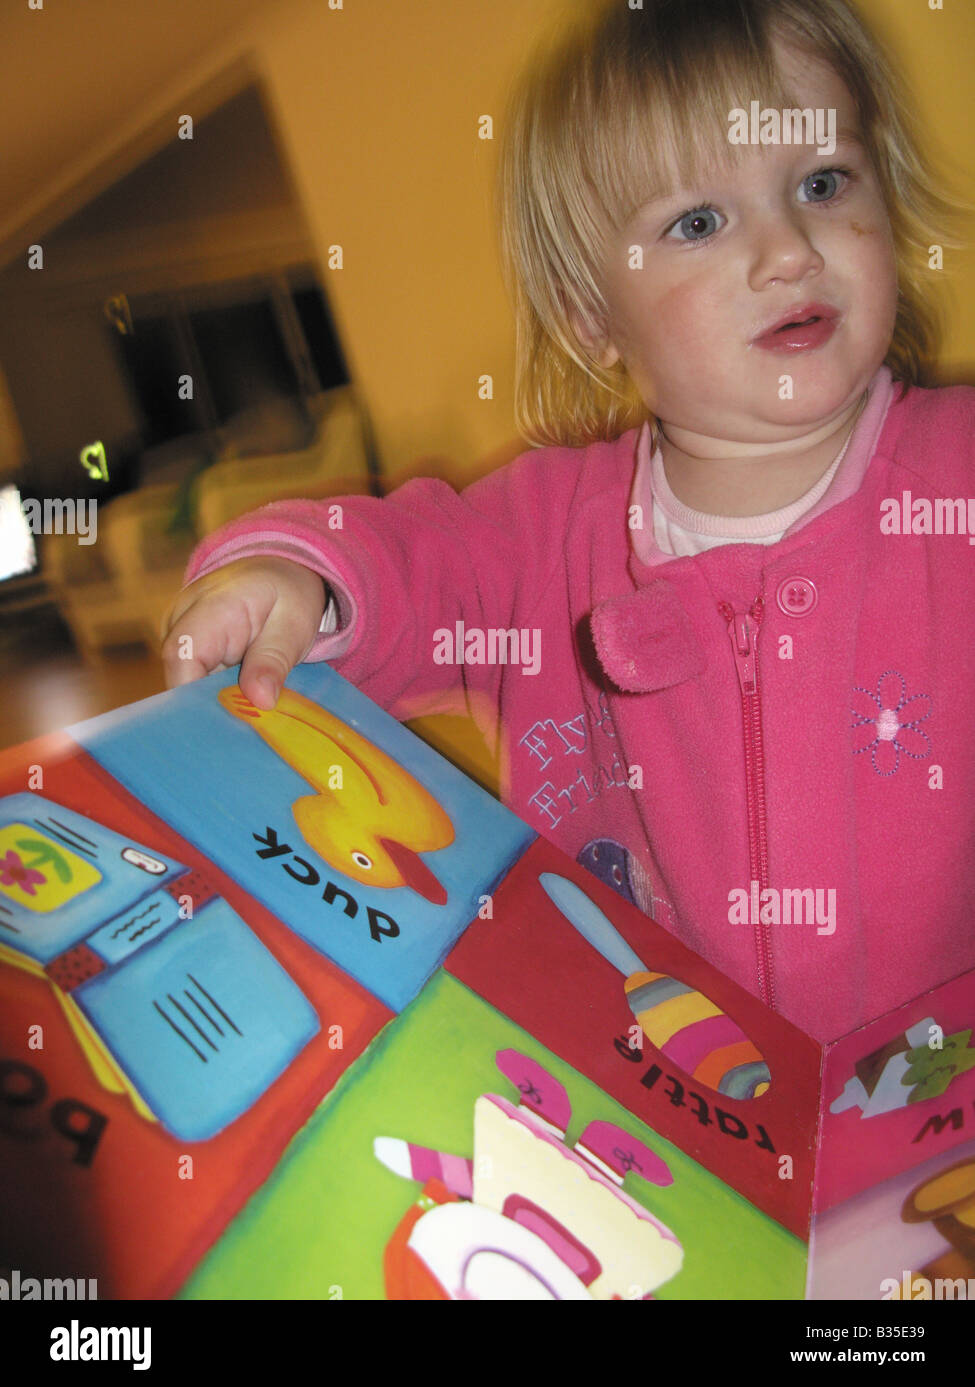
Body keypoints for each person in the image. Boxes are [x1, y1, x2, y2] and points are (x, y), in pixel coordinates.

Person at [162, 0, 975, 1042]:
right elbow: (409, 558)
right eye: (698, 221)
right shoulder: (543, 532)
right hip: (661, 1102)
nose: (789, 251)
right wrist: (296, 576)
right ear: (595, 318)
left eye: (822, 183)